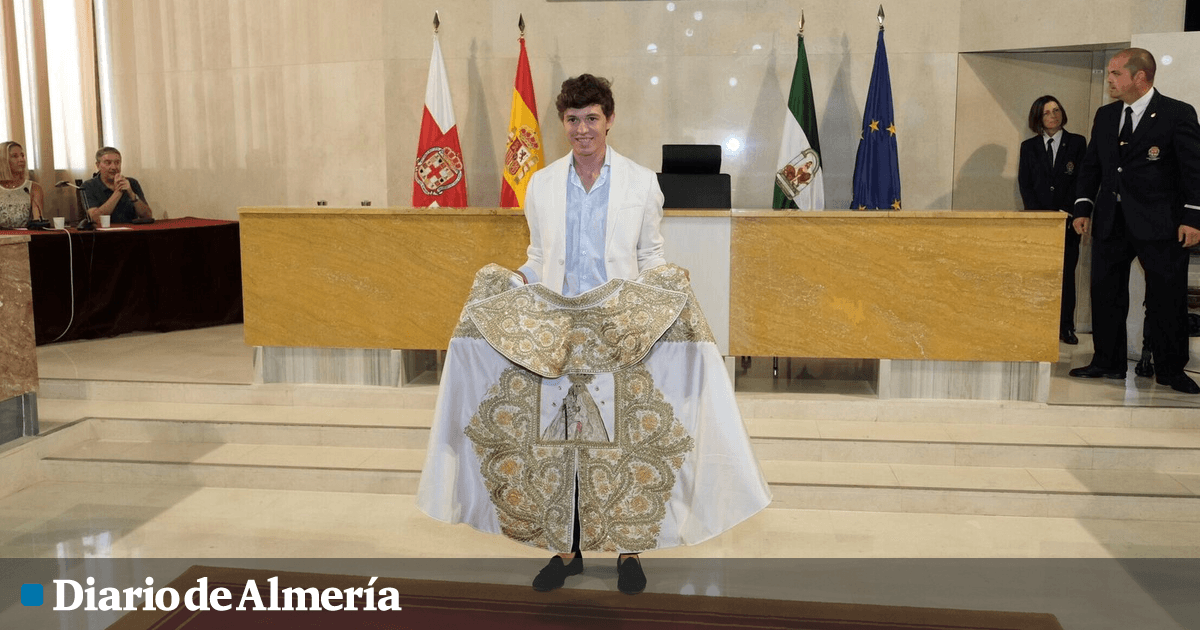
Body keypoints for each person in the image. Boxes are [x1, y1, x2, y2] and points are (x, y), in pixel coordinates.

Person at [416, 74, 770, 597]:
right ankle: (566, 552)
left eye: (592, 119)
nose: (583, 129)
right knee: (561, 446)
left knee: (619, 446)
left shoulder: (641, 182)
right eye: (573, 120)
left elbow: (650, 255)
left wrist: (664, 287)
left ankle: (629, 551)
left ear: (609, 118)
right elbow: (540, 259)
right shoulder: (541, 183)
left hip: (616, 330)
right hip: (558, 333)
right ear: (564, 124)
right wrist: (514, 281)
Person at [1070, 48, 1200, 394]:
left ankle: (1171, 369)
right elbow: (1091, 165)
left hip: (1161, 222)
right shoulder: (1107, 115)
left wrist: (1192, 217)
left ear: (1139, 77)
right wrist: (1083, 207)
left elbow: (1193, 171)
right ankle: (1107, 361)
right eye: (1110, 74)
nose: (1110, 80)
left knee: (1166, 296)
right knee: (1105, 290)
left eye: (1116, 74)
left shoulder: (1177, 113)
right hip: (1111, 219)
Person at [1018, 96, 1088, 345]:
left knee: (1066, 275)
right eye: (1047, 112)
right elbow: (1025, 184)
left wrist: (1068, 211)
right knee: (1039, 275)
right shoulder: (1029, 147)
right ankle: (1039, 323)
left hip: (1067, 222)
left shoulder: (1078, 143)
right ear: (1038, 118)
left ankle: (1065, 326)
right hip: (1040, 223)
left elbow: (1082, 180)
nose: (1053, 116)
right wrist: (1039, 216)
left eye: (1056, 110)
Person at [82, 147, 153, 224]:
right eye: (108, 163)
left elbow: (148, 216)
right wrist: (118, 191)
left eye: (117, 163)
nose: (114, 167)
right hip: (102, 233)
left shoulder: (131, 183)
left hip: (132, 232)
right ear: (98, 165)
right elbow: (96, 219)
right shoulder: (88, 186)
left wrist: (132, 195)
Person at [0, 141, 45, 229]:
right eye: (15, 156)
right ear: (3, 160)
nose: (21, 159)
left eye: (22, 155)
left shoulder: (33, 188)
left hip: (26, 239)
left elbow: (37, 223)